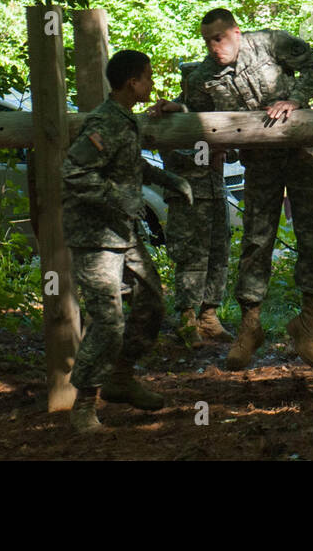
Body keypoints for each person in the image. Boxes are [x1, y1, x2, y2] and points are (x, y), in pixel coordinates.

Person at [159, 8, 313, 370]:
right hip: (261, 161)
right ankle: (250, 327)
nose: (213, 46)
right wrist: (178, 108)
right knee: (256, 241)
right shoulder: (204, 74)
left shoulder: (271, 42)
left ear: (236, 32)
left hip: (302, 153)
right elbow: (199, 111)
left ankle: (308, 323)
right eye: (207, 40)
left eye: (219, 38)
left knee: (311, 237)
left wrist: (294, 99)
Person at [63, 50, 192, 433]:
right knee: (108, 320)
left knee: (152, 302)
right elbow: (73, 173)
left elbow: (130, 165)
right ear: (132, 82)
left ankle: (120, 378)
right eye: (148, 77)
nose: (152, 84)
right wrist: (118, 198)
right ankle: (84, 404)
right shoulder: (104, 121)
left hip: (123, 232)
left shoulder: (125, 121)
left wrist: (169, 181)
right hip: (95, 235)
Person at [160, 143, 234, 349]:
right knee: (191, 256)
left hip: (217, 191)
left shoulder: (218, 112)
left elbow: (233, 149)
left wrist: (225, 150)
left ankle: (209, 316)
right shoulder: (175, 114)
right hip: (188, 194)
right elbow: (172, 154)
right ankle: (187, 319)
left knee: (219, 255)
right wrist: (211, 152)